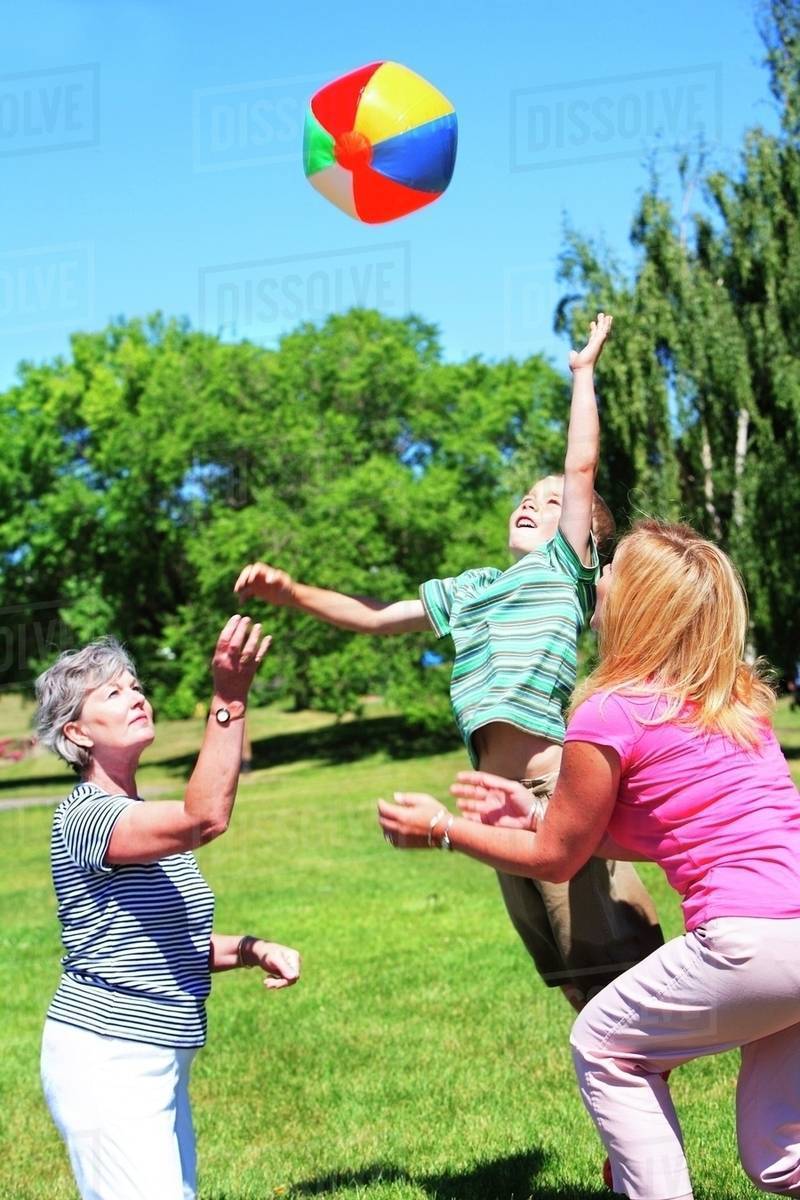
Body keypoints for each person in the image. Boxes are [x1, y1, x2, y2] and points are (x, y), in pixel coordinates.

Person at [235, 314, 662, 1012]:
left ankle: (675, 1030)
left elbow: (581, 463)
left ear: (583, 536)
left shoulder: (565, 569)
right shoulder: (473, 589)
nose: (536, 500)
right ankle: (631, 1077)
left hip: (550, 789)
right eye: (529, 495)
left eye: (554, 501)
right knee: (568, 980)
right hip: (492, 808)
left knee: (610, 966)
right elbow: (377, 616)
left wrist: (583, 374)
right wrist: (292, 592)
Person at [379, 520, 800, 1200]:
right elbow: (653, 831)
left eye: (609, 573)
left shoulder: (610, 712)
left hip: (746, 943)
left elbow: (553, 860)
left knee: (605, 1044)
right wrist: (540, 814)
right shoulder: (737, 707)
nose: (595, 580)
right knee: (781, 1157)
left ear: (636, 605)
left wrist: (442, 829)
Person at [36, 615, 301, 1200]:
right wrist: (229, 698)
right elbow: (205, 817)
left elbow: (162, 942)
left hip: (158, 1056)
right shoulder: (85, 816)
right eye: (112, 693)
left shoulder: (140, 815)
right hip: (108, 1057)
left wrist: (253, 950)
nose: (136, 697)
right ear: (77, 734)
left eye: (135, 687)